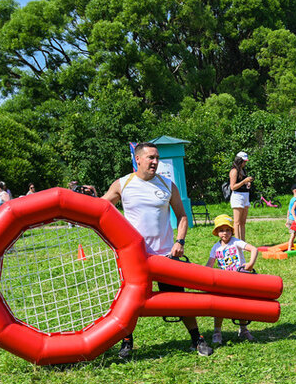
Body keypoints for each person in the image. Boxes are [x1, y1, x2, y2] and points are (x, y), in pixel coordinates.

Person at [102, 141, 211, 357]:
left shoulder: (167, 184)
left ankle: (197, 339)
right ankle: (126, 342)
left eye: (157, 158)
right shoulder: (123, 184)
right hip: (134, 257)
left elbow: (181, 216)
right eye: (150, 157)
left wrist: (180, 241)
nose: (155, 162)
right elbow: (101, 210)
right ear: (138, 159)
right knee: (129, 301)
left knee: (179, 298)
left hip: (165, 255)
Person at [206, 214, 258, 345]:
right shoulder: (215, 248)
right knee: (220, 307)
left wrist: (250, 264)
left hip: (239, 280)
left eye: (227, 230)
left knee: (241, 305)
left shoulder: (236, 242)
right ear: (217, 232)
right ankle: (217, 332)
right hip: (223, 282)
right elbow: (209, 266)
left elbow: (254, 249)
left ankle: (243, 330)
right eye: (222, 230)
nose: (225, 233)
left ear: (231, 231)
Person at [228, 151, 254, 242]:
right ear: (239, 160)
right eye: (244, 161)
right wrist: (244, 181)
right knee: (237, 222)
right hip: (237, 196)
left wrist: (247, 184)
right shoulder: (234, 171)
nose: (245, 163)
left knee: (243, 222)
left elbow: (242, 183)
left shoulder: (243, 170)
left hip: (245, 195)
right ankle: (237, 242)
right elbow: (233, 187)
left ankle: (243, 242)